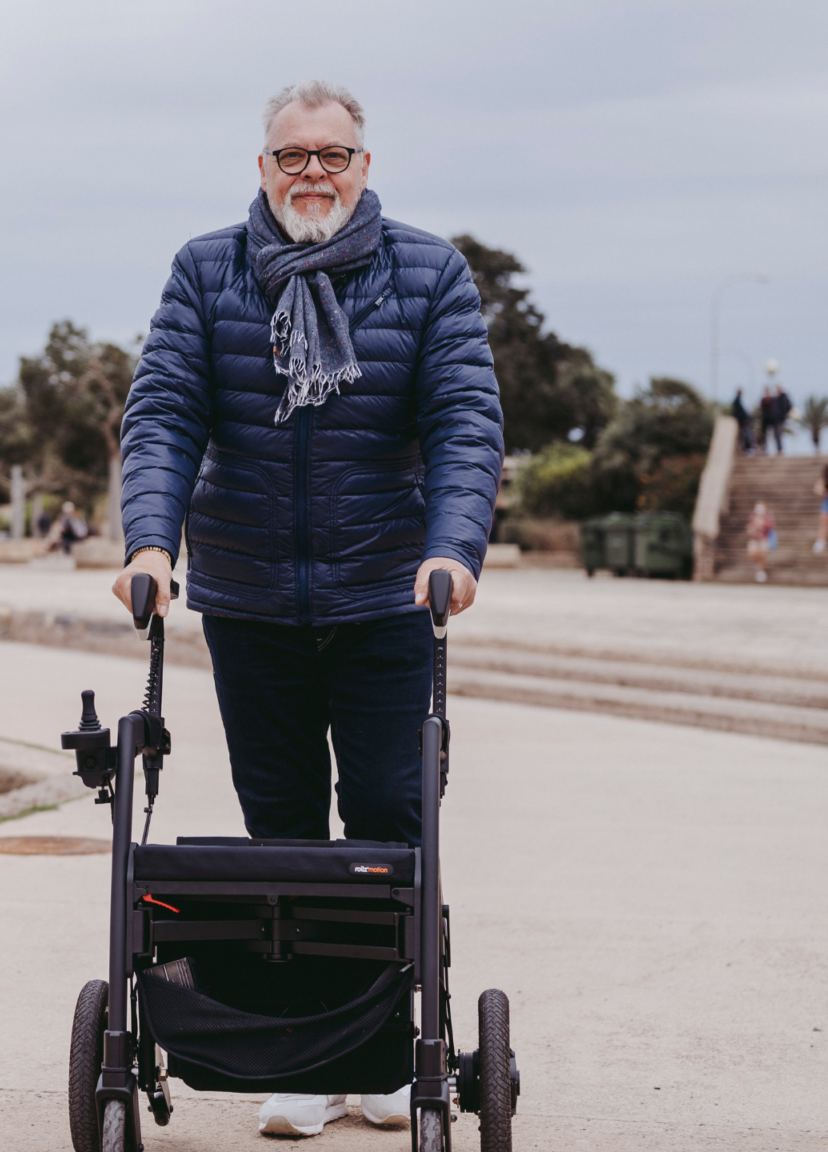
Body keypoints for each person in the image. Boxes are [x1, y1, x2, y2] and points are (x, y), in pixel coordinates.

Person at [113, 80, 501, 1138]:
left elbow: (465, 418)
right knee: (278, 833)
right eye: (293, 156)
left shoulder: (428, 271)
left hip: (384, 596)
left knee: (386, 824)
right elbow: (164, 411)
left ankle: (381, 1053)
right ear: (263, 168)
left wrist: (452, 548)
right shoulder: (207, 271)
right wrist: (149, 541)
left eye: (333, 155)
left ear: (363, 167)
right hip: (248, 600)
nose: (313, 173)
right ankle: (301, 1055)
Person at [746, 500, 775, 583]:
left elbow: (769, 526)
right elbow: (748, 528)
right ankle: (758, 564)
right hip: (754, 539)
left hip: (763, 539)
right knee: (752, 554)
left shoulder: (768, 517)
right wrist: (752, 528)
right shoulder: (752, 517)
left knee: (762, 555)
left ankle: (762, 571)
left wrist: (761, 524)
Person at [731, 389, 756, 455]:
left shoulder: (738, 401)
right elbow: (738, 413)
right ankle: (747, 448)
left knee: (746, 435)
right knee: (746, 435)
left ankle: (746, 448)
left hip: (743, 421)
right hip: (742, 422)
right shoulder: (737, 401)